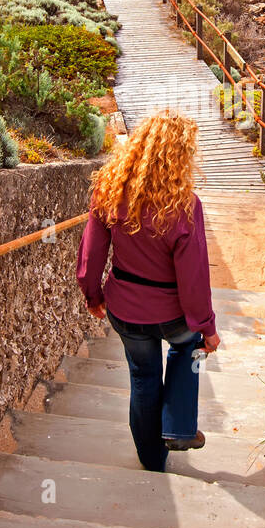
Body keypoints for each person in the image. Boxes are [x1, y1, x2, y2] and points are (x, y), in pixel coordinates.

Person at [76, 110, 221, 472]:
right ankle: (178, 427)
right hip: (172, 314)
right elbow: (194, 279)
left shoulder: (108, 192)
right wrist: (207, 327)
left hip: (125, 308)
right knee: (189, 348)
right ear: (181, 155)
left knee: (143, 378)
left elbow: (92, 255)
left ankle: (152, 459)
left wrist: (92, 295)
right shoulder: (186, 206)